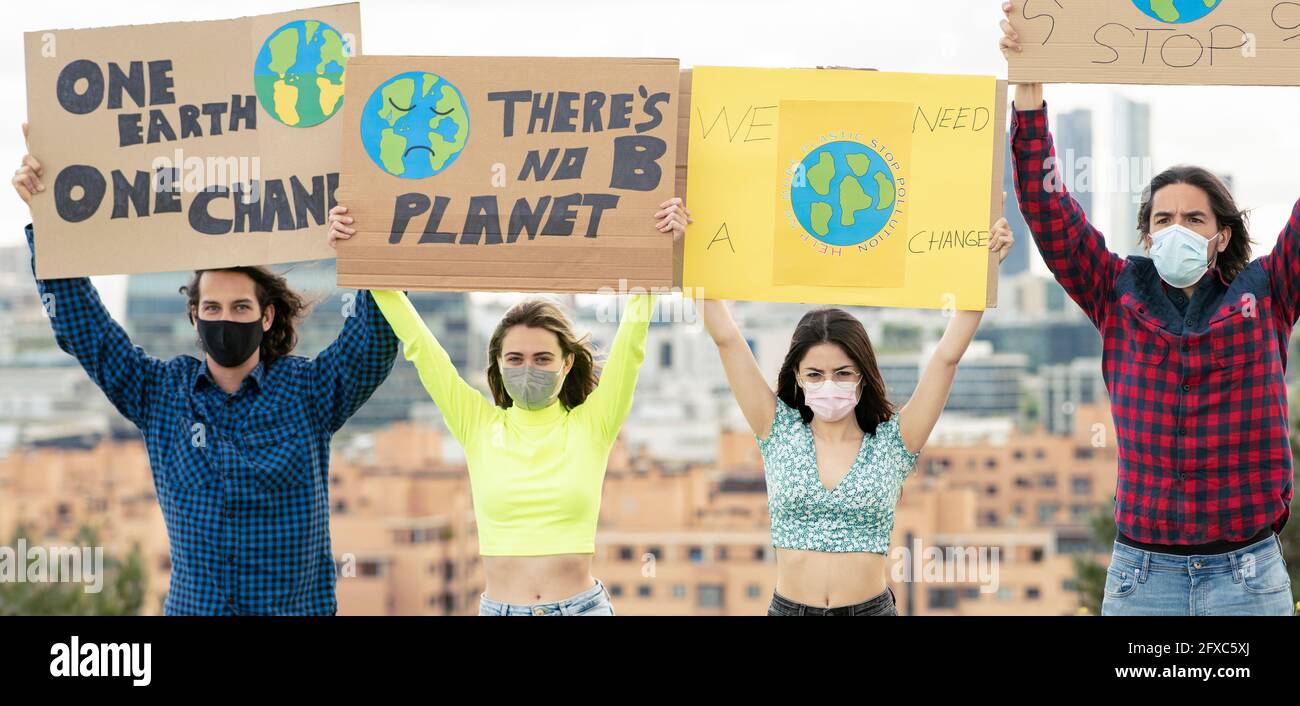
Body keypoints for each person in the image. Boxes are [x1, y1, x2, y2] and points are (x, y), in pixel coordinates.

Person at [12, 123, 400, 615]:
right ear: (194, 317)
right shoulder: (159, 393)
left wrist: (371, 239)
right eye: (212, 308)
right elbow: (86, 333)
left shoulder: (311, 392)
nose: (226, 319)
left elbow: (375, 339)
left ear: (267, 315)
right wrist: (47, 218)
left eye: (241, 307)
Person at [1000, 2, 1296, 615]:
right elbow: (1047, 212)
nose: (1177, 229)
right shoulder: (1116, 293)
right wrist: (1029, 96)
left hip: (1249, 575)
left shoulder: (1267, 294)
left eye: (1195, 219)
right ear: (1145, 236)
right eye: (1164, 219)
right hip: (1143, 576)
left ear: (1220, 235)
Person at [328, 197, 690, 615]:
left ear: (567, 362)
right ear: (497, 367)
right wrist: (360, 256)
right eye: (515, 359)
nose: (528, 369)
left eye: (542, 359)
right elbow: (420, 346)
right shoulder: (478, 425)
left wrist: (665, 244)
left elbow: (632, 340)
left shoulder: (594, 424)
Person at [696, 205, 1015, 615]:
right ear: (797, 375)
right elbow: (727, 338)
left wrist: (985, 269)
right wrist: (690, 247)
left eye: (843, 372)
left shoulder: (894, 442)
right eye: (815, 374)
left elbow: (945, 359)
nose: (829, 384)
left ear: (863, 376)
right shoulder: (776, 428)